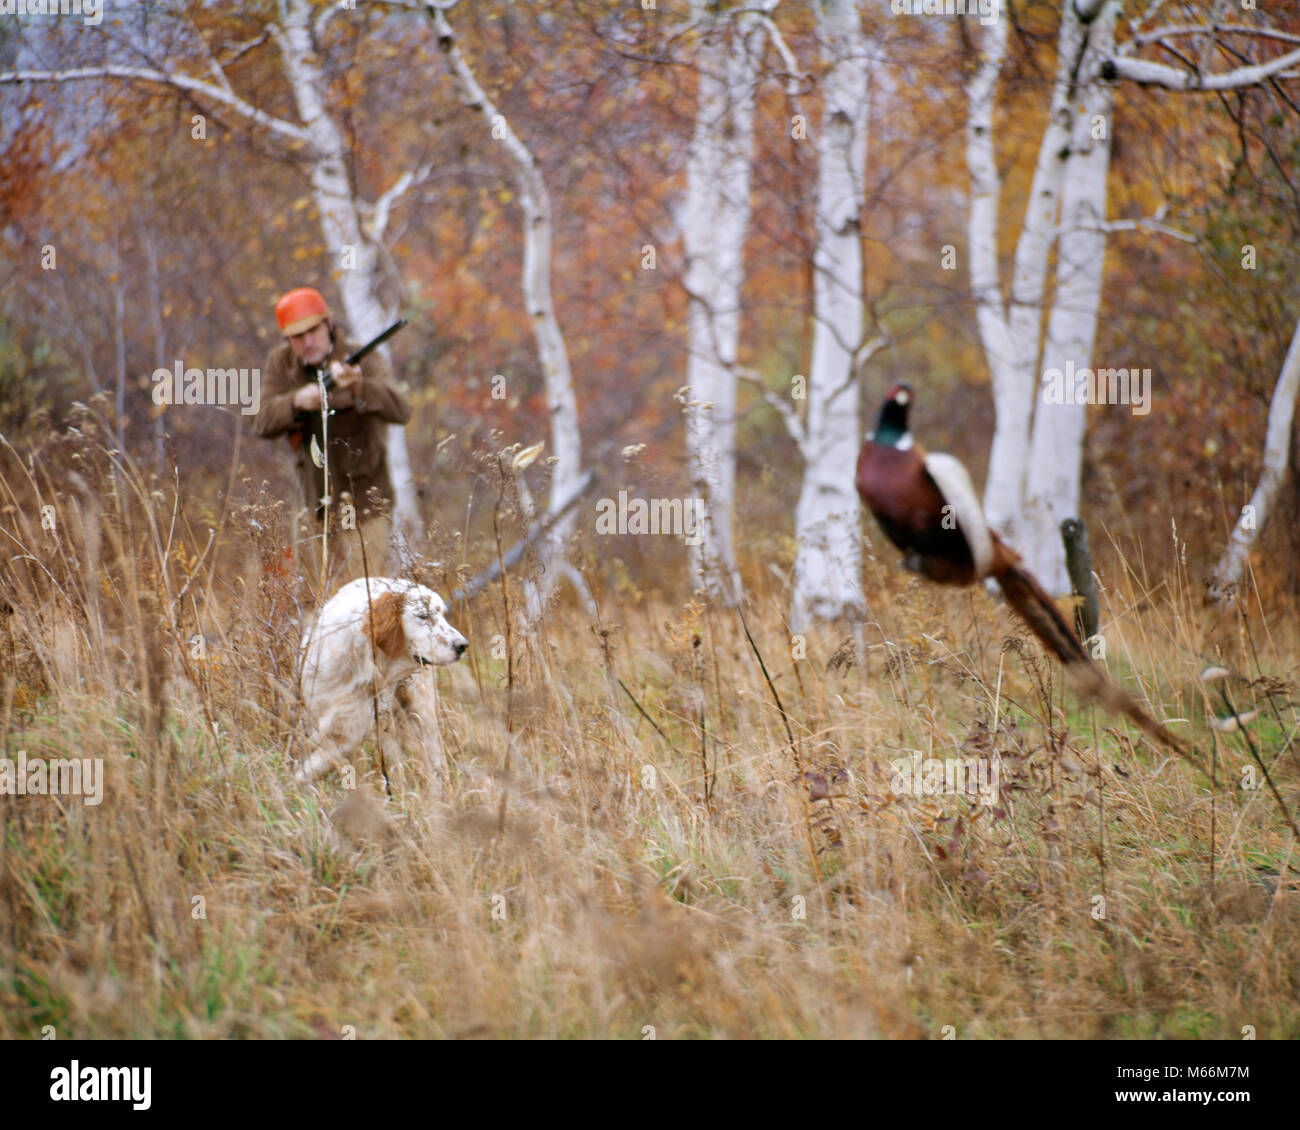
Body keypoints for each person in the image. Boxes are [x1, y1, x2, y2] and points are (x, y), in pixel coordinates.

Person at [254, 287, 411, 589]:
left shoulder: (365, 358)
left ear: (328, 322)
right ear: (287, 339)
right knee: (319, 600)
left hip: (366, 504)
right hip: (316, 507)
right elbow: (260, 421)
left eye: (313, 330)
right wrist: (296, 402)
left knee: (365, 596)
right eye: (297, 336)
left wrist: (360, 387)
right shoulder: (281, 365)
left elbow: (402, 410)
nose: (308, 342)